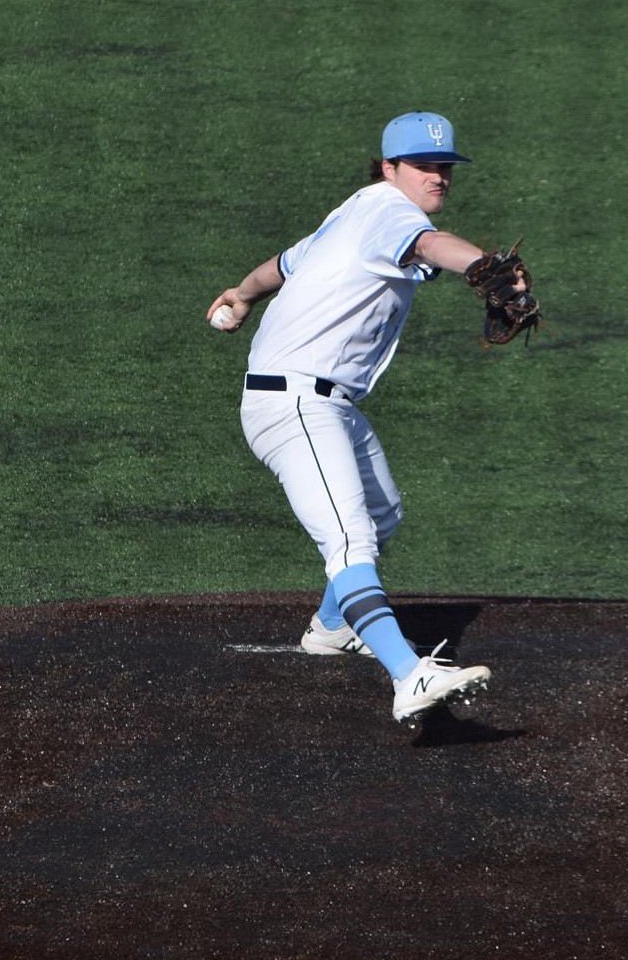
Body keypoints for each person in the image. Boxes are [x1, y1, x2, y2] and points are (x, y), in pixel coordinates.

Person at [206, 111, 522, 724]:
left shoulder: (353, 213)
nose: (439, 176)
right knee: (350, 540)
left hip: (323, 403)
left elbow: (283, 264)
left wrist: (242, 294)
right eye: (425, 166)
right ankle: (408, 676)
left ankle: (330, 626)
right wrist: (486, 264)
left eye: (446, 167)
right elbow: (430, 244)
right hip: (294, 403)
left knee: (383, 514)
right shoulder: (390, 213)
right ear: (389, 167)